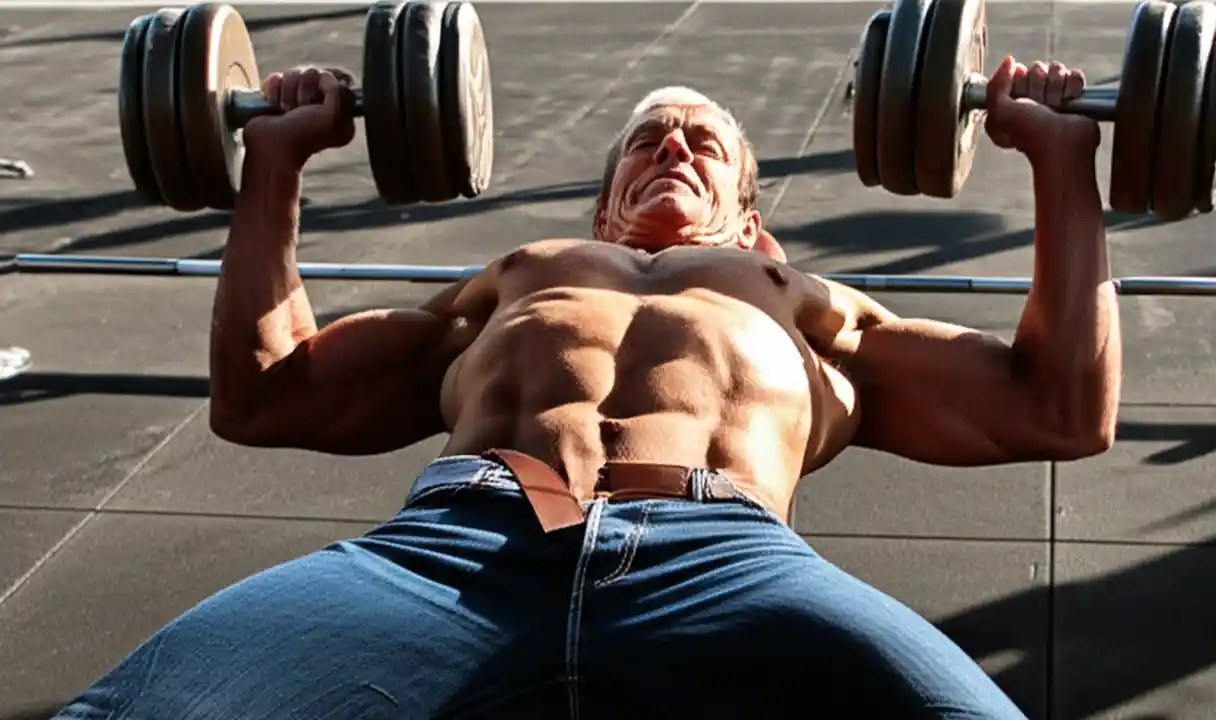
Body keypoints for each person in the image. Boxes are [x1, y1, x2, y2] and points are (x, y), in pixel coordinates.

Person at [56, 54, 1118, 719]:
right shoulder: (516, 278)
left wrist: (1060, 162)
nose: (671, 145)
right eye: (645, 139)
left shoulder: (804, 303)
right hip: (450, 557)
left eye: (702, 142)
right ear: (603, 208)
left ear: (749, 223)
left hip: (723, 571)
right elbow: (268, 393)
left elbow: (1059, 407)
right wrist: (275, 161)